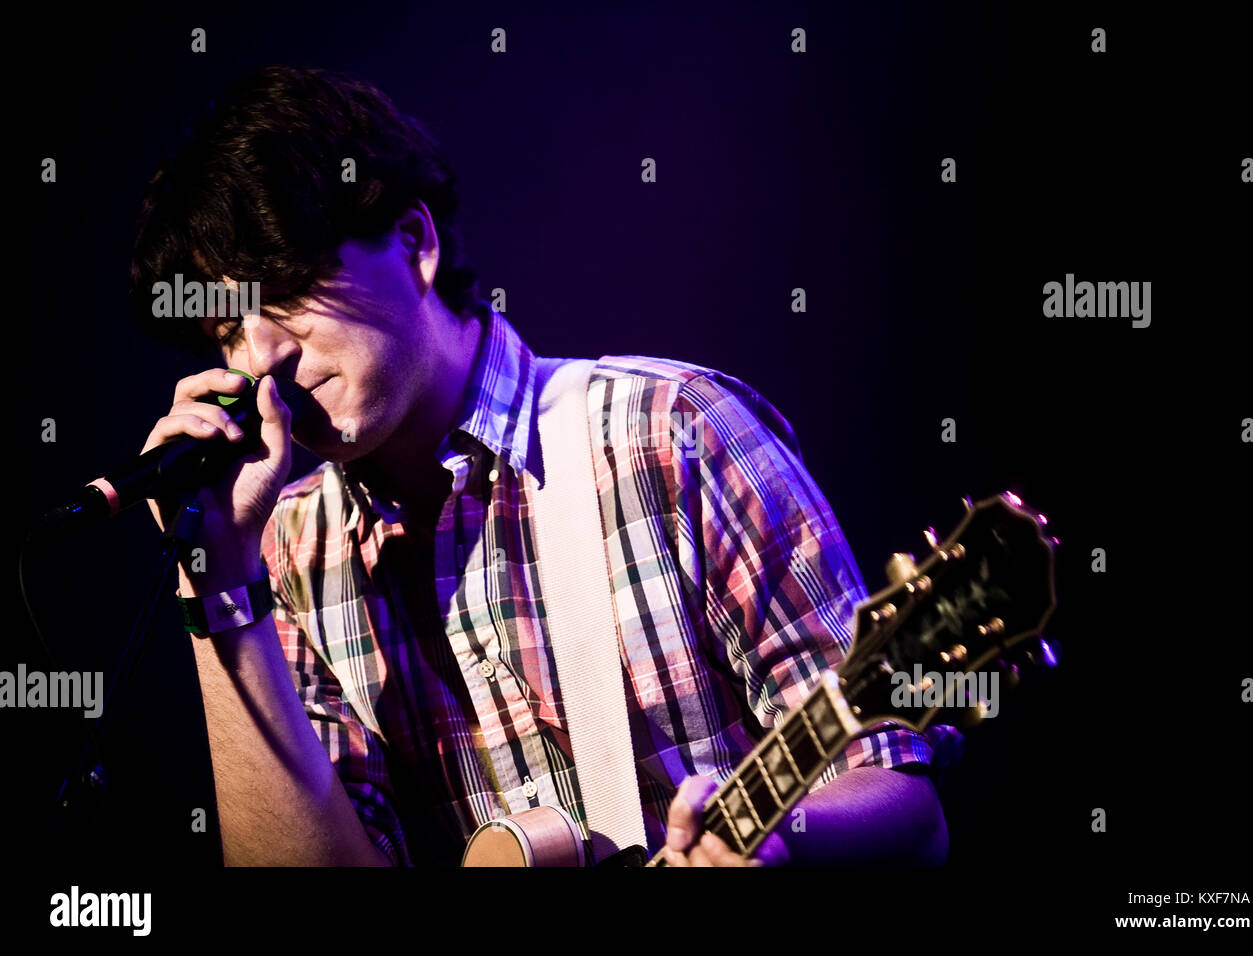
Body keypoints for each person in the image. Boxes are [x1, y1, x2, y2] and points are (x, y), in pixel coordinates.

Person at [129, 66, 950, 866]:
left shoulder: (673, 432)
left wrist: (784, 845)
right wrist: (217, 581)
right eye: (226, 330)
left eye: (284, 289)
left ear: (413, 243)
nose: (260, 353)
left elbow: (907, 806)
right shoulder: (287, 552)